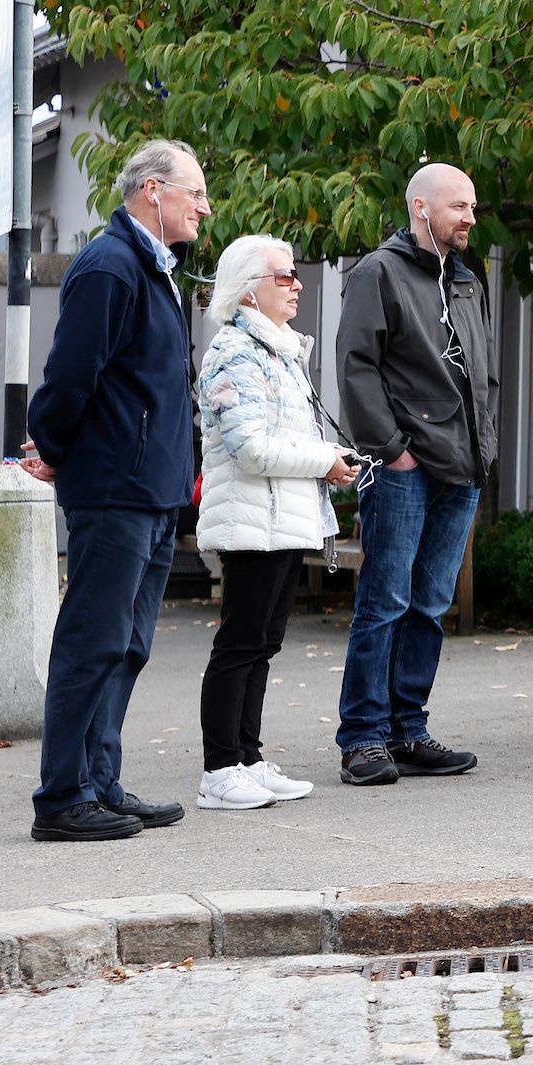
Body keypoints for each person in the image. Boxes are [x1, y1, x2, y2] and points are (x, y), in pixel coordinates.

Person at [21, 139, 209, 842]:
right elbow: (70, 376)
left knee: (127, 643)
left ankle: (99, 782)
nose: (204, 207)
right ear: (152, 191)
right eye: (195, 192)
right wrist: (56, 450)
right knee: (92, 640)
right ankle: (62, 797)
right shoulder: (110, 265)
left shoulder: (156, 269)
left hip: (152, 490)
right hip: (114, 487)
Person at [333, 163, 497, 787]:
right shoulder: (378, 271)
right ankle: (364, 739)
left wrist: (486, 447)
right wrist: (392, 448)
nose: (470, 219)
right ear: (421, 208)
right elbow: (357, 368)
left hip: (463, 464)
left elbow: (481, 372)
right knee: (385, 602)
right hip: (404, 465)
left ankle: (408, 730)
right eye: (460, 207)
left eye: (473, 207)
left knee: (429, 604)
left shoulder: (466, 280)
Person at [193, 235, 359, 809]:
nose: (297, 284)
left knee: (263, 643)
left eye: (294, 275)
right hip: (249, 519)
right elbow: (250, 448)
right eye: (283, 276)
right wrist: (325, 461)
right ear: (248, 289)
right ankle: (219, 769)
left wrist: (329, 461)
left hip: (283, 517)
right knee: (240, 643)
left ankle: (247, 757)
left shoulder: (280, 351)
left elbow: (288, 439)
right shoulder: (234, 351)